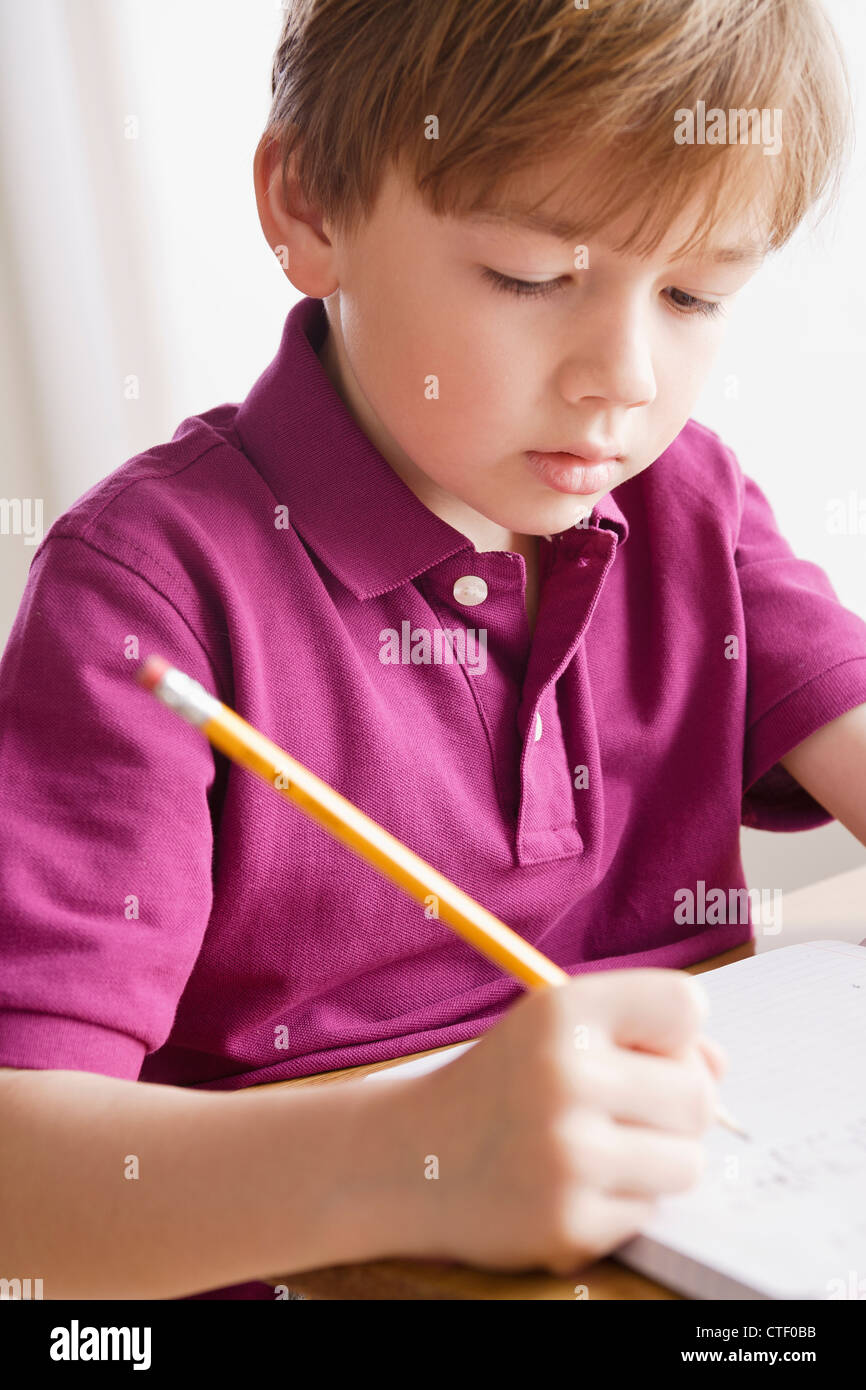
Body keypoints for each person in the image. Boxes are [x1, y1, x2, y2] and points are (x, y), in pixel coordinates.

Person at [1, 0, 865, 1299]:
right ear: (307, 205)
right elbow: (26, 1182)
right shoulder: (149, 594)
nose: (621, 376)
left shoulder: (687, 503)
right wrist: (415, 1155)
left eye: (695, 293)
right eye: (529, 274)